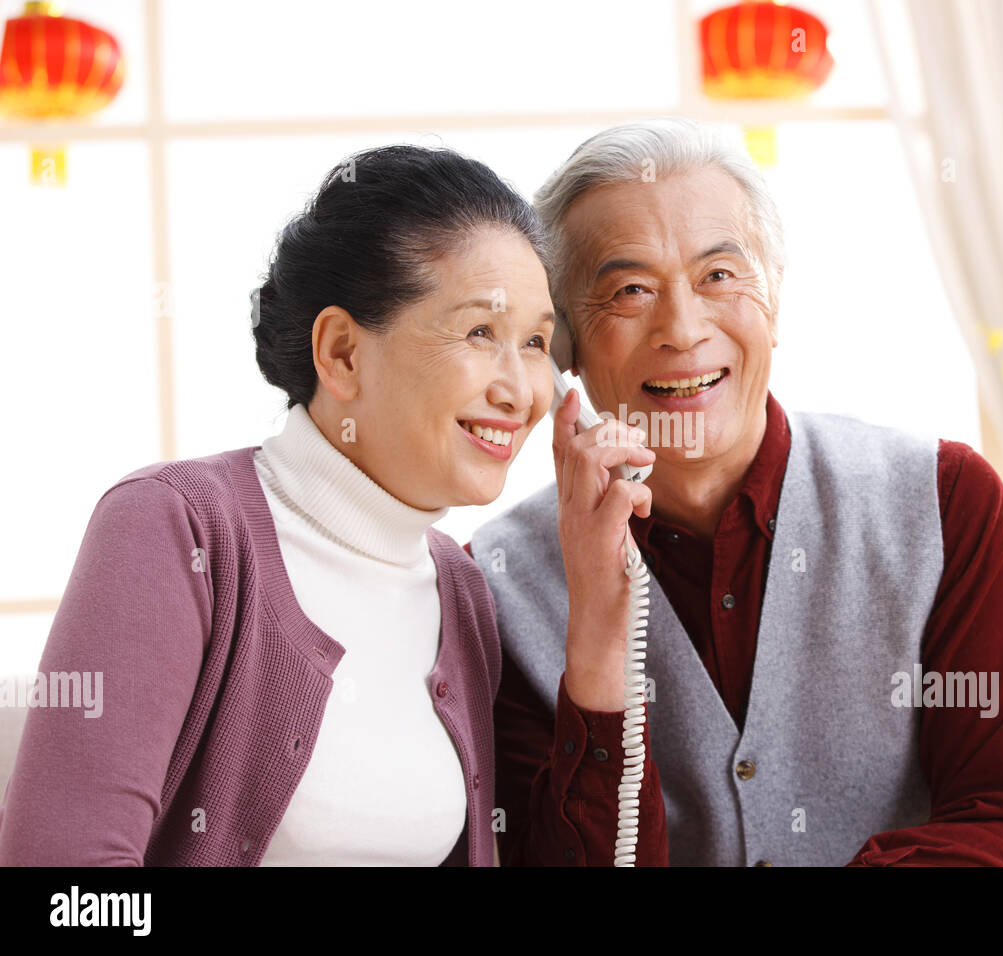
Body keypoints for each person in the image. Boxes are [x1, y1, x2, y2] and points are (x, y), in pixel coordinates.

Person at [0, 144, 649, 866]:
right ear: (341, 353)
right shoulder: (175, 528)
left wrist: (598, 632)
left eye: (534, 342)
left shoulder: (460, 590)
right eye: (479, 333)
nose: (520, 389)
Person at [469, 118, 1003, 866]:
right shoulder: (492, 584)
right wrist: (594, 628)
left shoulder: (946, 502)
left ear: (774, 303)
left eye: (720, 276)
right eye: (629, 291)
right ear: (568, 349)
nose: (684, 328)